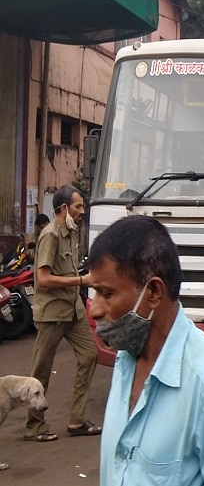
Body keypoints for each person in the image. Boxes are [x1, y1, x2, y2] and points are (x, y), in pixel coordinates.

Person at [86, 216, 204, 486]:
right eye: (94, 292)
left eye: (106, 294)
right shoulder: (125, 359)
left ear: (153, 292)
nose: (94, 308)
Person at [24, 185, 99, 442]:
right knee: (41, 371)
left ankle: (76, 420)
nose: (82, 211)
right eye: (79, 206)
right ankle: (35, 426)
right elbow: (43, 279)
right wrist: (80, 282)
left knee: (89, 356)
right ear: (65, 208)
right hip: (52, 313)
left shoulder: (72, 232)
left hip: (73, 311)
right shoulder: (50, 235)